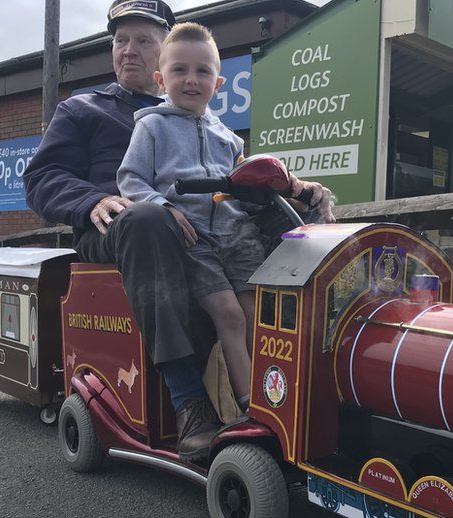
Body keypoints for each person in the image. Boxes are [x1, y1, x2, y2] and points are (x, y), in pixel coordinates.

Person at [23, 0, 332, 463]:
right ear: (164, 73)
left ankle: (302, 369)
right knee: (148, 219)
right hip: (117, 226)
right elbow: (41, 178)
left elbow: (237, 174)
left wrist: (296, 189)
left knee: (278, 224)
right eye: (120, 40)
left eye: (143, 41)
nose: (129, 50)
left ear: (162, 52)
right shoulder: (84, 109)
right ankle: (189, 401)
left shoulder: (207, 121)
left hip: (201, 231)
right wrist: (93, 201)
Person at [117, 22, 257, 412]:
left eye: (203, 71)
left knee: (255, 310)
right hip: (195, 241)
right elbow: (131, 179)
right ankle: (250, 404)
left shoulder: (229, 138)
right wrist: (165, 208)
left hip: (237, 235)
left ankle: (270, 391)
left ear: (219, 82)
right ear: (161, 79)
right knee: (228, 314)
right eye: (180, 70)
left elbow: (246, 184)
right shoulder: (151, 126)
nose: (191, 80)